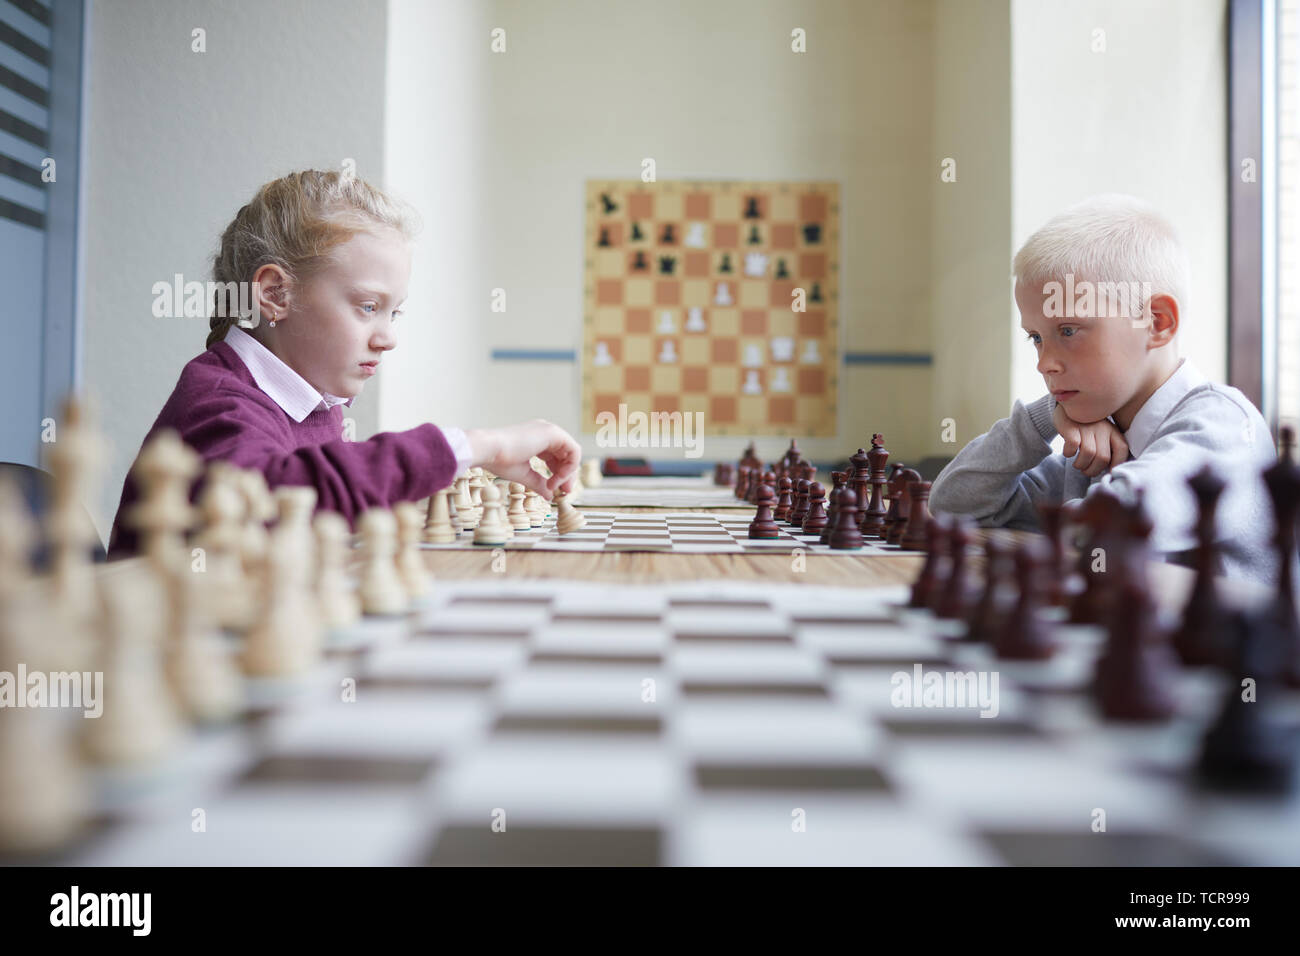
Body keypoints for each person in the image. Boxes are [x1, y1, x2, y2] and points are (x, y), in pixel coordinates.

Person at [108, 170, 580, 558]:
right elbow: (280, 496)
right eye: (368, 307)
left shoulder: (315, 405)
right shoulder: (217, 403)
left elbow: (326, 492)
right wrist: (481, 445)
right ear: (275, 294)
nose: (389, 337)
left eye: (395, 312)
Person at [929, 194, 1277, 585]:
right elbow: (953, 505)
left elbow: (1112, 523)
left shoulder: (1223, 426)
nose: (1044, 363)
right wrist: (1045, 417)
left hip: (1221, 646)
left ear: (1157, 323)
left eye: (1068, 330)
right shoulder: (1094, 449)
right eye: (1036, 338)